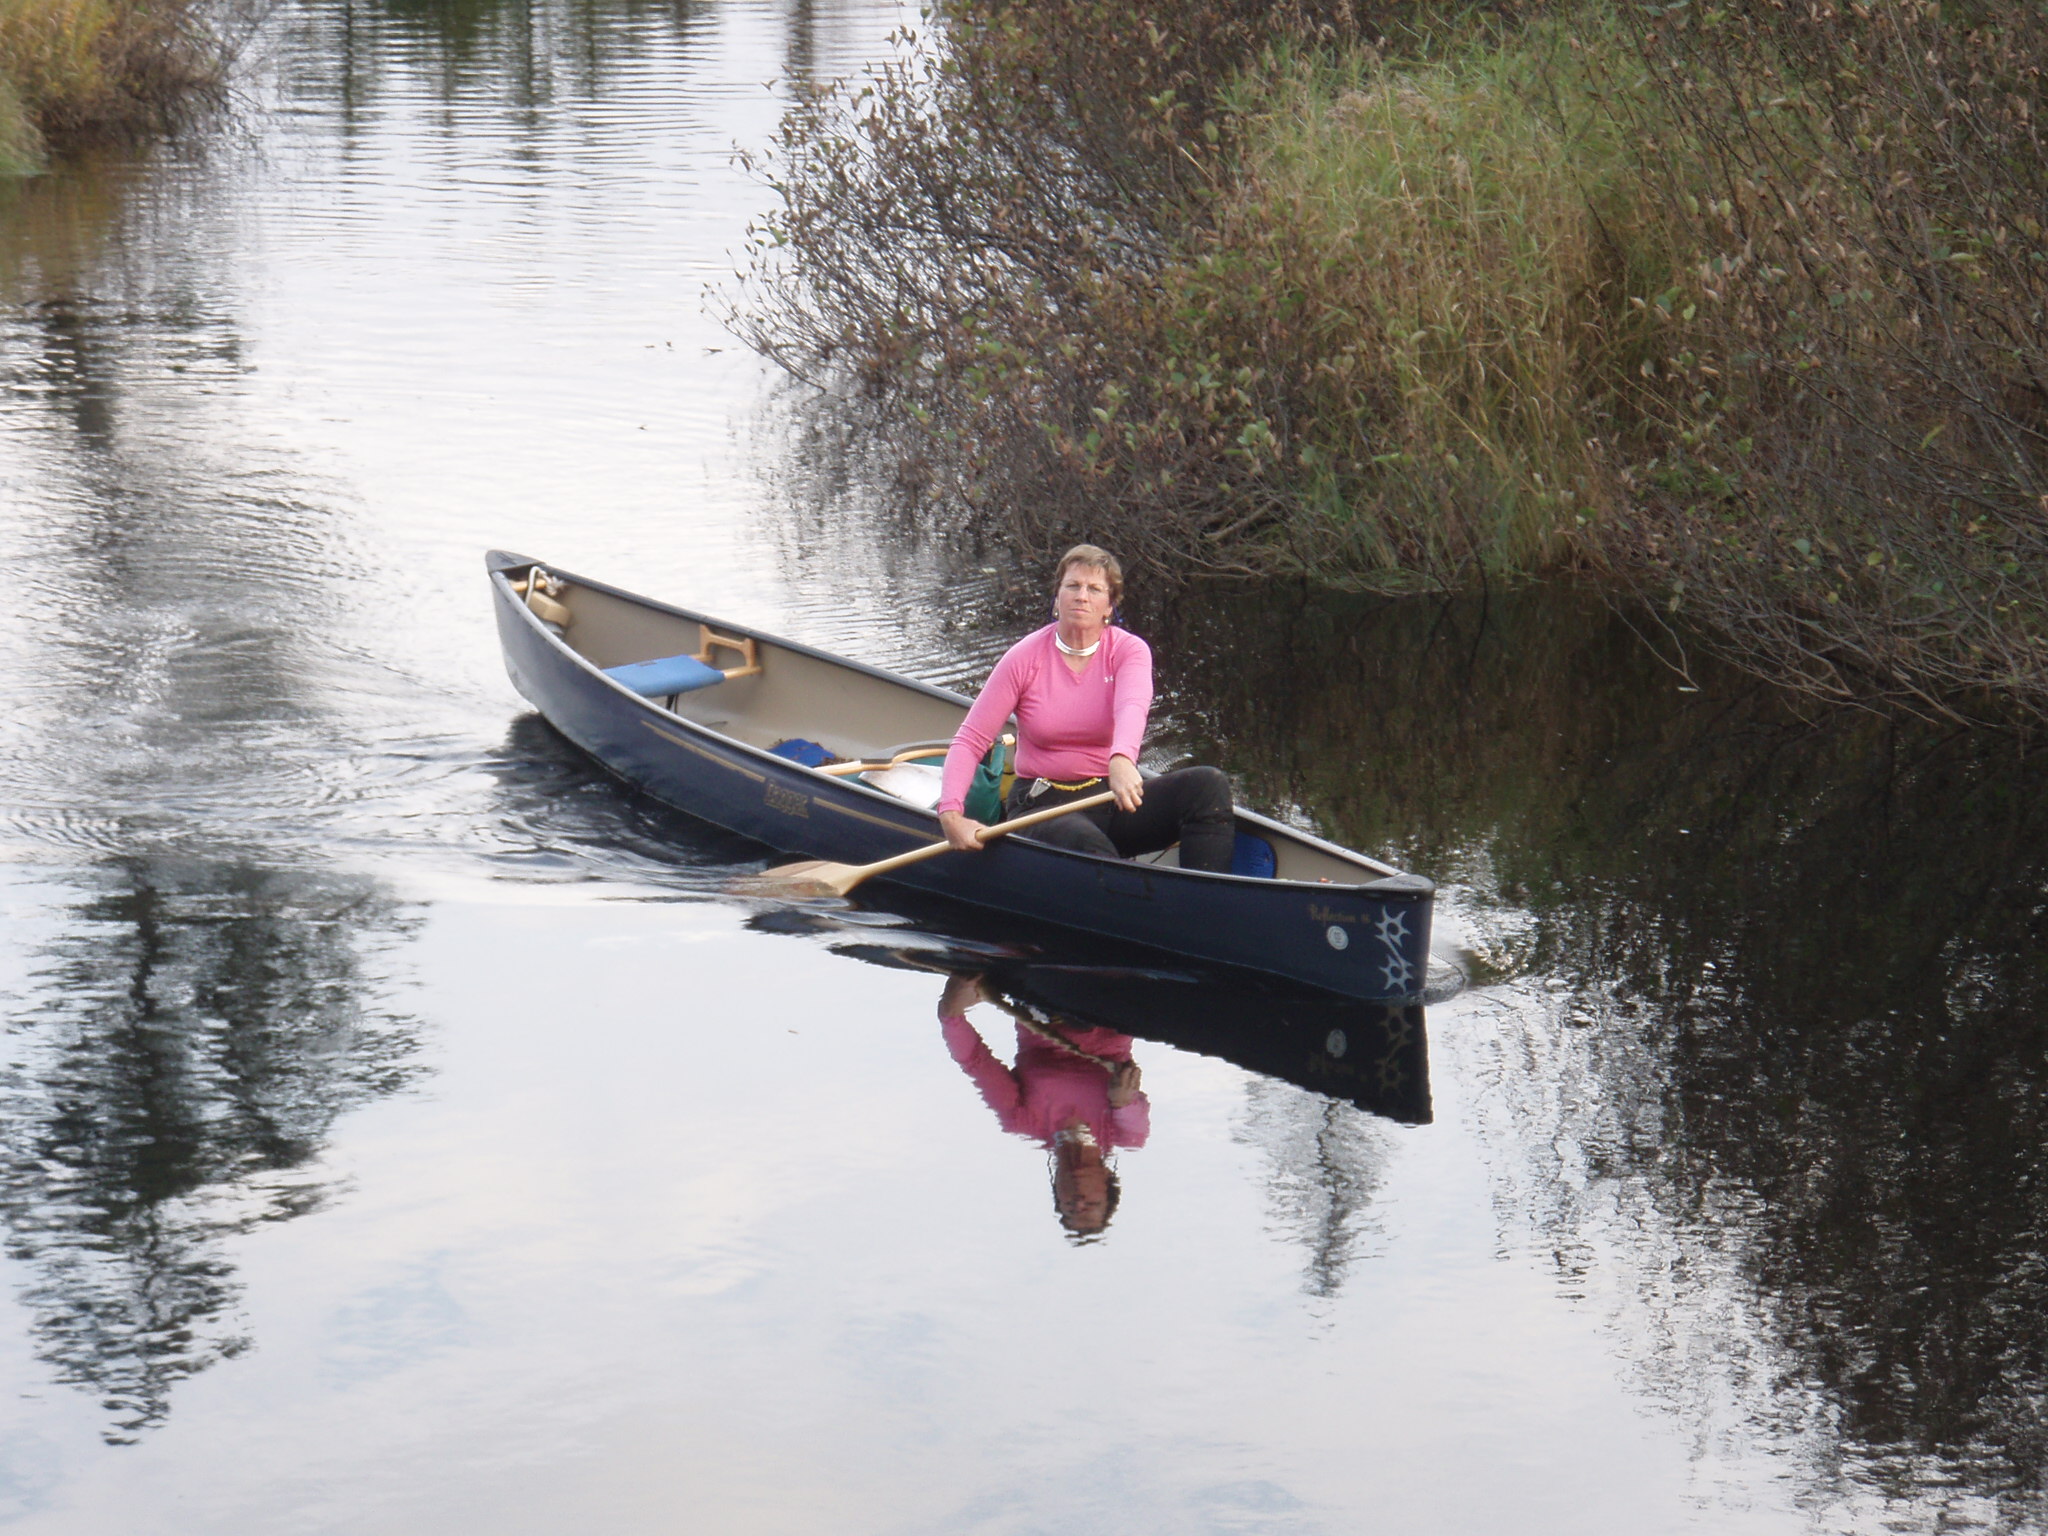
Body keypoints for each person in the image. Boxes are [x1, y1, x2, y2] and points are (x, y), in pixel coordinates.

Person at [934, 545, 1235, 871]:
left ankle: (1204, 902)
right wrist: (951, 815)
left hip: (1108, 796)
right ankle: (1125, 900)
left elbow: (1132, 706)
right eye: (1073, 586)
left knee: (1208, 785)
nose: (1082, 596)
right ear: (1057, 597)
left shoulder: (1129, 651)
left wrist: (1122, 757)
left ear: (1110, 604)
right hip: (1040, 804)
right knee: (1084, 841)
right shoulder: (1024, 658)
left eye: (1094, 589)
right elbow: (971, 739)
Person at [937, 971, 1146, 1238]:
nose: (1079, 1201)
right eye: (1091, 1204)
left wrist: (951, 1013)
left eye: (1070, 1206)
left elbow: (975, 1062)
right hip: (1111, 996)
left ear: (1057, 1190)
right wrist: (1122, 1101)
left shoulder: (1021, 1120)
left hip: (1042, 992)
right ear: (1108, 1183)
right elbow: (1131, 1106)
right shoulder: (1127, 1135)